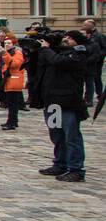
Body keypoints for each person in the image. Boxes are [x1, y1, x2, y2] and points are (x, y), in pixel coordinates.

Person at [36, 30, 89, 182]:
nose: (66, 39)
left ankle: (76, 169)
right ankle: (60, 163)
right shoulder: (58, 53)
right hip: (52, 101)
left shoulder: (79, 55)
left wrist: (46, 49)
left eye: (70, 38)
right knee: (57, 135)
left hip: (69, 102)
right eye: (65, 37)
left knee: (71, 136)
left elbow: (58, 62)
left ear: (77, 42)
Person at [0, 35, 25, 130]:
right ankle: (13, 121)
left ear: (14, 44)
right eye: (5, 43)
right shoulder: (2, 53)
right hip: (4, 80)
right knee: (10, 103)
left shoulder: (17, 53)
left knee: (13, 103)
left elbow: (14, 64)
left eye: (9, 43)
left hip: (13, 80)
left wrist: (5, 54)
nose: (7, 45)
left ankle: (11, 122)